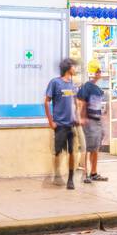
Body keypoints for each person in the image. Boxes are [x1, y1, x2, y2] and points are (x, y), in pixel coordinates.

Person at [43, 57, 79, 189]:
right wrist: (51, 121)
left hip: (71, 124)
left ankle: (70, 179)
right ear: (68, 68)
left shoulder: (72, 85)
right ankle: (57, 175)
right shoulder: (55, 83)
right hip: (60, 124)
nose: (75, 69)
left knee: (72, 152)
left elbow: (75, 103)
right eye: (73, 67)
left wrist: (77, 117)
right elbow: (46, 101)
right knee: (58, 152)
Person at [77, 61, 109, 184]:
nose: (99, 73)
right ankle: (85, 174)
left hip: (97, 120)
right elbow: (81, 102)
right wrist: (82, 117)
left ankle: (94, 172)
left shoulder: (97, 88)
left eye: (99, 71)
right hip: (89, 121)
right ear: (92, 73)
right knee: (87, 147)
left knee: (95, 148)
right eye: (97, 71)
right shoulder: (87, 86)